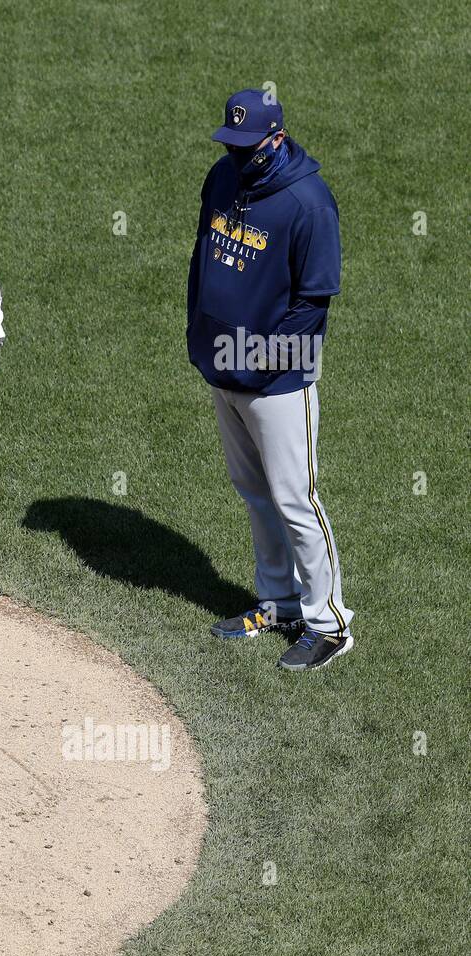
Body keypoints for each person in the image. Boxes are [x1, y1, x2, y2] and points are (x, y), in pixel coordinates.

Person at [188, 88, 354, 671]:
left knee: (295, 499)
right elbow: (202, 258)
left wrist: (259, 361)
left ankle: (329, 623)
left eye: (247, 146)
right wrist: (202, 339)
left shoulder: (309, 204)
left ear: (276, 139)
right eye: (230, 145)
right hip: (224, 368)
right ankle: (279, 602)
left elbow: (314, 303)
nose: (236, 156)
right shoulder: (222, 178)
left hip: (278, 379)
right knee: (255, 493)